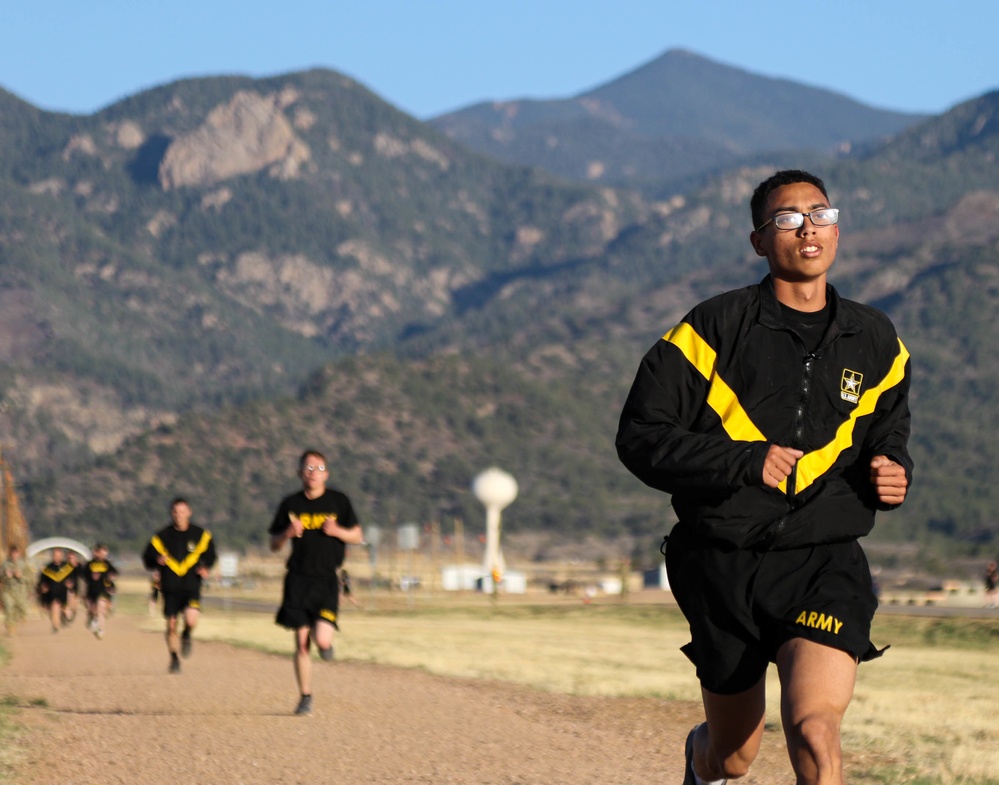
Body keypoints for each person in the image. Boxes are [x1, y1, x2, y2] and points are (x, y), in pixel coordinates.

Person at [616, 169, 913, 785]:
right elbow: (640, 436)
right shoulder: (712, 329)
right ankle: (702, 758)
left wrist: (894, 471)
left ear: (837, 230)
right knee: (733, 755)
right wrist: (745, 461)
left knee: (815, 730)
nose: (807, 227)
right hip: (721, 562)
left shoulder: (876, 339)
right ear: (758, 240)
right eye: (787, 218)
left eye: (820, 214)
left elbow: (887, 433)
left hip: (823, 560)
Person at [269, 449, 364, 716]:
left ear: (327, 474)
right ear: (300, 473)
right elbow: (274, 544)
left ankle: (325, 645)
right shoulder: (290, 504)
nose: (313, 473)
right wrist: (287, 533)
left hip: (326, 581)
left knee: (321, 640)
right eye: (309, 468)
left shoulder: (339, 501)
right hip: (297, 580)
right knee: (301, 643)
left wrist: (338, 531)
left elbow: (357, 536)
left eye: (319, 468)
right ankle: (305, 696)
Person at [143, 498, 218, 674]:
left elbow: (211, 555)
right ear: (171, 513)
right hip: (170, 587)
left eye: (182, 511)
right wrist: (157, 560)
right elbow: (147, 558)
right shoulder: (161, 537)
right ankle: (174, 658)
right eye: (176, 512)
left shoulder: (201, 535)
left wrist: (206, 567)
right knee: (171, 625)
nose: (179, 515)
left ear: (189, 512)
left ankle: (186, 635)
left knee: (191, 620)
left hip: (191, 586)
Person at [83, 543, 119, 639]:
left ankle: (101, 629)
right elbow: (84, 576)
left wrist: (112, 577)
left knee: (101, 608)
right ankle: (93, 619)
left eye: (105, 553)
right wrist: (92, 577)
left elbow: (114, 573)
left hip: (103, 590)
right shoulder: (90, 564)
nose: (104, 555)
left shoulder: (107, 564)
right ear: (97, 552)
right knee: (92, 610)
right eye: (102, 553)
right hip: (92, 590)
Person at [37, 547, 76, 632]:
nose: (57, 557)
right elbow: (42, 581)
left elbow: (73, 579)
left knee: (65, 610)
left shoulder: (67, 567)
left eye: (59, 555)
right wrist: (43, 587)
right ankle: (55, 626)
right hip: (52, 592)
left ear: (61, 556)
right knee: (55, 606)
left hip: (64, 592)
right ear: (52, 556)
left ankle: (64, 617)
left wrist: (70, 583)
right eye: (55, 555)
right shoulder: (48, 568)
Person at [1, 544, 32, 636]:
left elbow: (30, 579)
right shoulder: (5, 565)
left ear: (19, 554)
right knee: (9, 607)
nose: (14, 555)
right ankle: (10, 628)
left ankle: (13, 624)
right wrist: (6, 576)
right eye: (13, 553)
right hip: (8, 591)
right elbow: (1, 578)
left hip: (20, 592)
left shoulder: (24, 565)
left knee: (20, 611)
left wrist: (21, 576)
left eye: (16, 553)